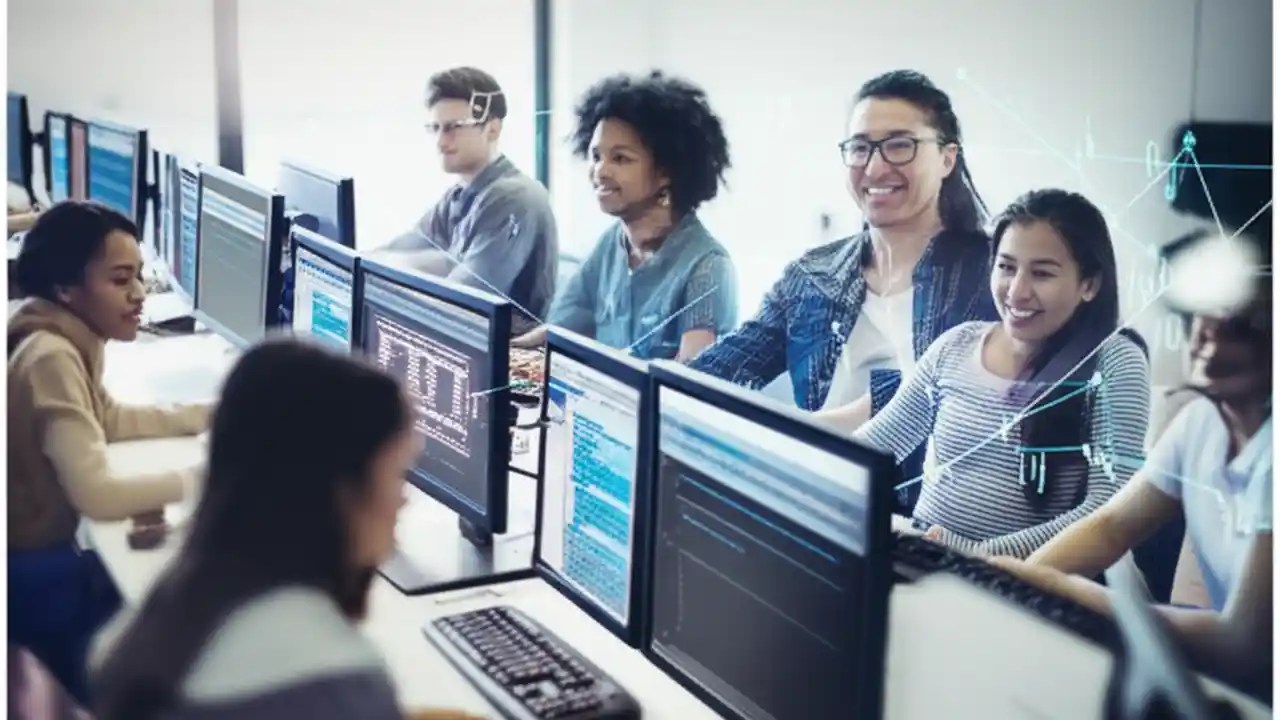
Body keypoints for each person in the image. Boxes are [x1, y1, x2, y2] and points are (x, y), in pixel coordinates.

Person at [91, 339, 484, 719]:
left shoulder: (158, 621)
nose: (404, 501)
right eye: (397, 475)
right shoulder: (339, 683)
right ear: (339, 494)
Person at [991, 277, 1272, 696]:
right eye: (1204, 323)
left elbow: (1243, 645)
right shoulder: (1201, 424)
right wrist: (1017, 587)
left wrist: (1058, 589)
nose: (1206, 343)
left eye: (1234, 329)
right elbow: (1111, 526)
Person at [851, 189, 1151, 558]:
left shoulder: (1115, 361)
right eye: (1006, 267)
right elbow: (876, 444)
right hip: (925, 558)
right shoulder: (956, 345)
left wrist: (974, 559)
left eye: (1042, 273)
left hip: (1020, 581)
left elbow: (1109, 511)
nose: (1017, 292)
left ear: (1089, 284)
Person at [8, 201, 212, 701]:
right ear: (65, 287)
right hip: (28, 578)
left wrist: (213, 414)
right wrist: (210, 480)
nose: (140, 294)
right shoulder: (51, 355)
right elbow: (97, 495)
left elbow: (107, 419)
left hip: (25, 562)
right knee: (191, 634)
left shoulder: (51, 329)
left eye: (140, 275)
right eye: (121, 280)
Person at [511, 71, 738, 362]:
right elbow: (557, 332)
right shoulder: (611, 244)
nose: (600, 171)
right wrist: (506, 356)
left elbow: (688, 388)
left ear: (667, 171)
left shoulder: (708, 268)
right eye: (596, 156)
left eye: (620, 159)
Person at [375, 66, 558, 335]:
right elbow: (396, 250)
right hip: (467, 341)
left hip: (509, 353)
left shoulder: (514, 198)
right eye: (435, 128)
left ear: (493, 130)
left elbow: (460, 301)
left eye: (453, 128)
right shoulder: (460, 194)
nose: (440, 141)